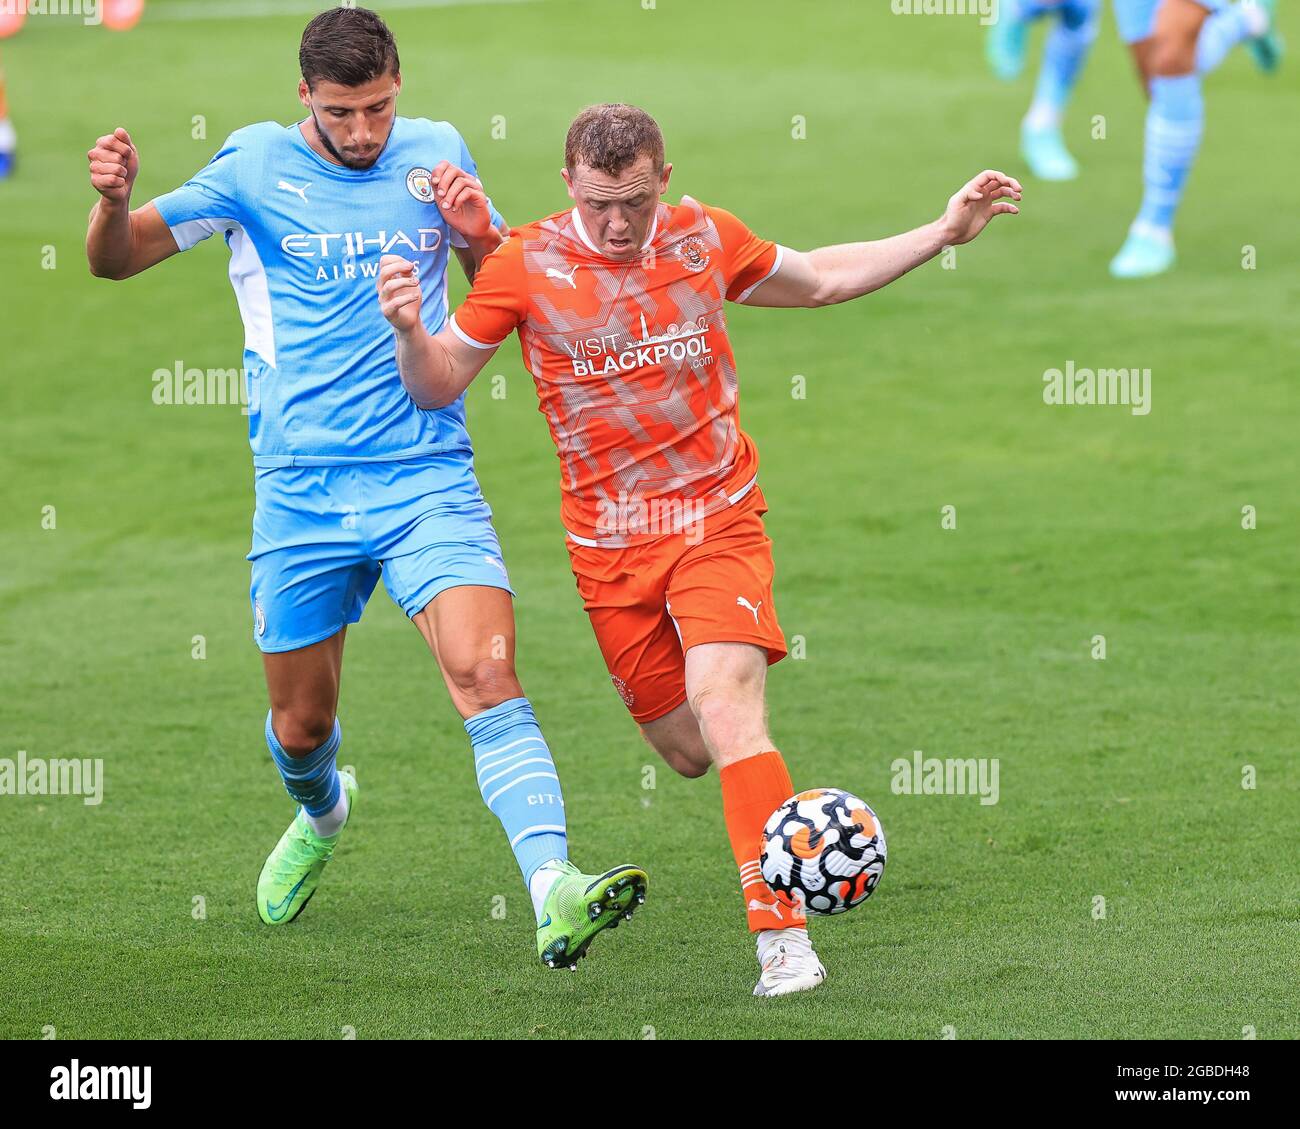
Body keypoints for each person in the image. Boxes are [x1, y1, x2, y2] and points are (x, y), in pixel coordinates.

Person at [375, 103, 1021, 996]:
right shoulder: (525, 264)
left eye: (634, 201)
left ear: (662, 181)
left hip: (717, 518)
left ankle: (783, 939)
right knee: (686, 747)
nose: (616, 223)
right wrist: (410, 331)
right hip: (608, 551)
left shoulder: (702, 239)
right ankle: (771, 803)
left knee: (727, 707)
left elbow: (823, 278)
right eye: (600, 201)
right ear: (568, 185)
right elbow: (437, 381)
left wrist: (943, 231)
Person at [84, 8, 646, 971]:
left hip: (426, 472)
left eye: (379, 107)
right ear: (305, 94)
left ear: (400, 85)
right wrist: (113, 202)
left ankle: (554, 887)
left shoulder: (438, 154)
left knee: (486, 672)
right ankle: (323, 808)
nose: (364, 133)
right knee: (301, 725)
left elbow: (503, 290)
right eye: (342, 113)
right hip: (300, 490)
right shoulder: (253, 167)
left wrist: (480, 234)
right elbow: (116, 257)